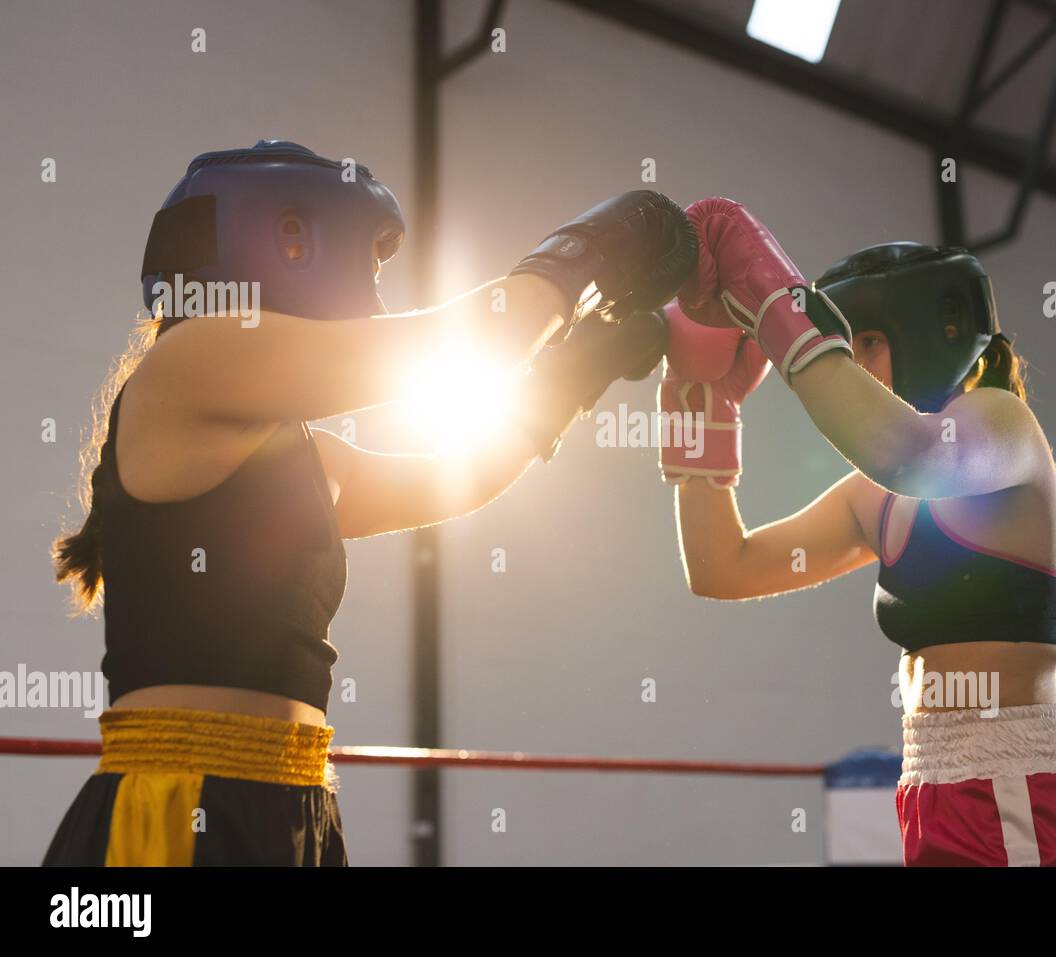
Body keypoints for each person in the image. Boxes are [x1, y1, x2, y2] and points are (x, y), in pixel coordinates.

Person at [44, 140, 696, 866]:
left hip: (297, 808)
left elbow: (464, 474)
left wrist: (581, 370)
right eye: (368, 259)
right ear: (290, 238)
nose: (375, 286)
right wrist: (589, 251)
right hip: (175, 808)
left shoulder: (305, 453)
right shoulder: (191, 362)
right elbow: (475, 337)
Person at [660, 198, 1056, 866]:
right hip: (928, 790)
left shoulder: (1002, 425)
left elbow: (908, 453)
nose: (857, 361)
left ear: (931, 333)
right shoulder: (875, 500)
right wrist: (701, 407)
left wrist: (781, 312)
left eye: (867, 340)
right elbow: (720, 566)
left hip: (1014, 786)